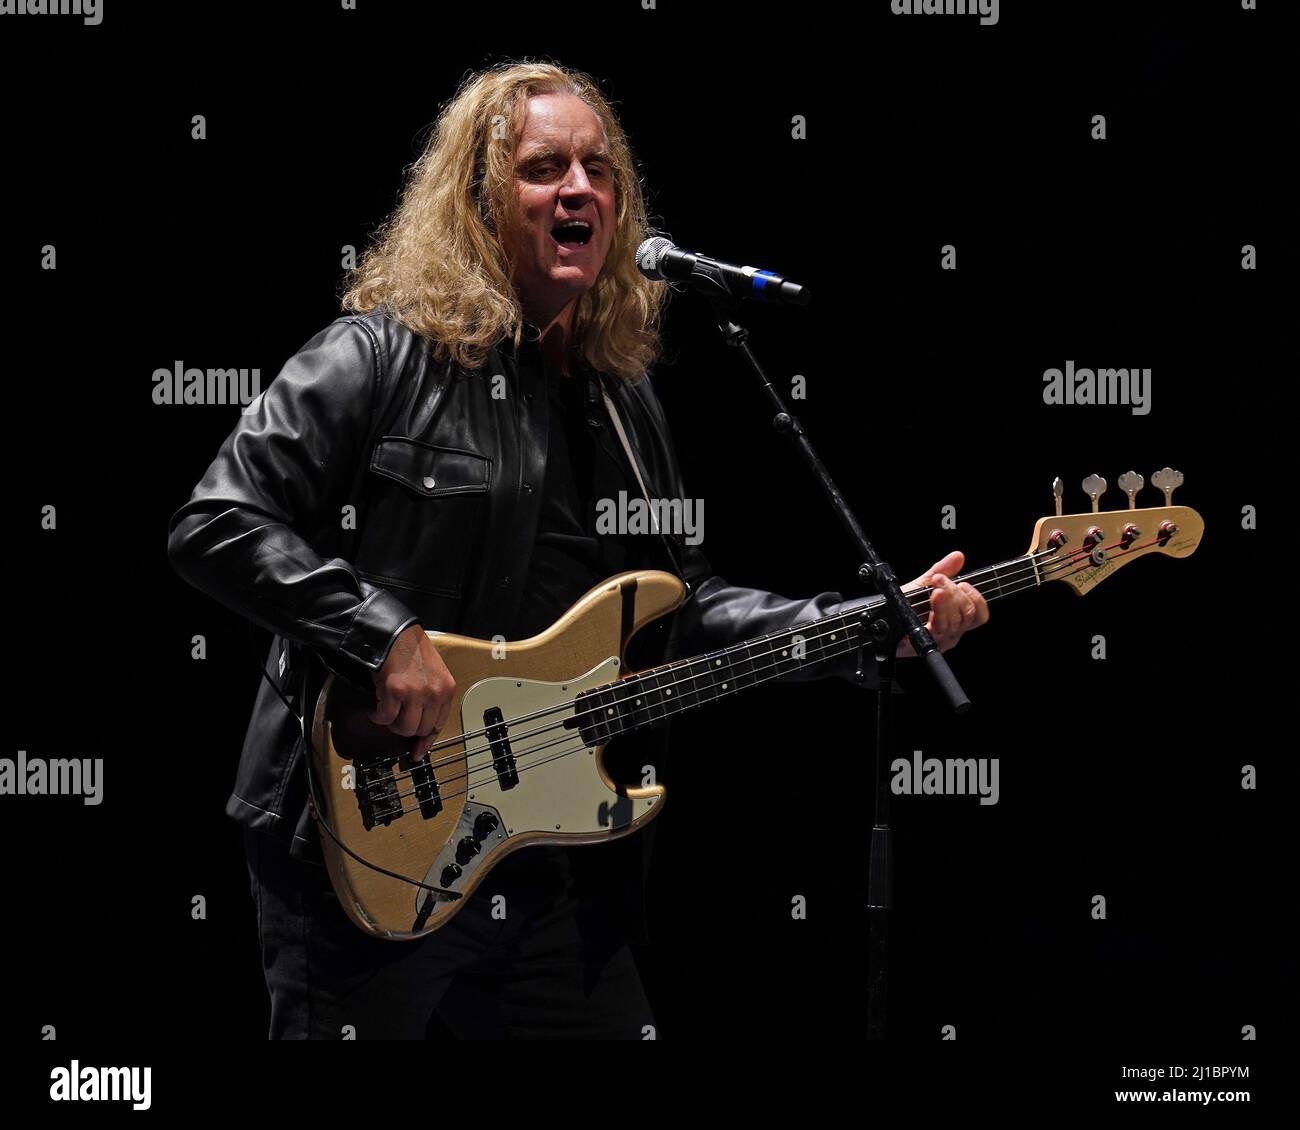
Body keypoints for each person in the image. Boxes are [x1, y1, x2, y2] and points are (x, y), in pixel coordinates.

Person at [166, 60, 989, 1040]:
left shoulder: (621, 400)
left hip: (541, 862)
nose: (581, 189)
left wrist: (868, 626)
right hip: (361, 837)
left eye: (599, 169)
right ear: (478, 199)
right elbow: (217, 517)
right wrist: (378, 632)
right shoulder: (377, 355)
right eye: (544, 167)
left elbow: (681, 606)